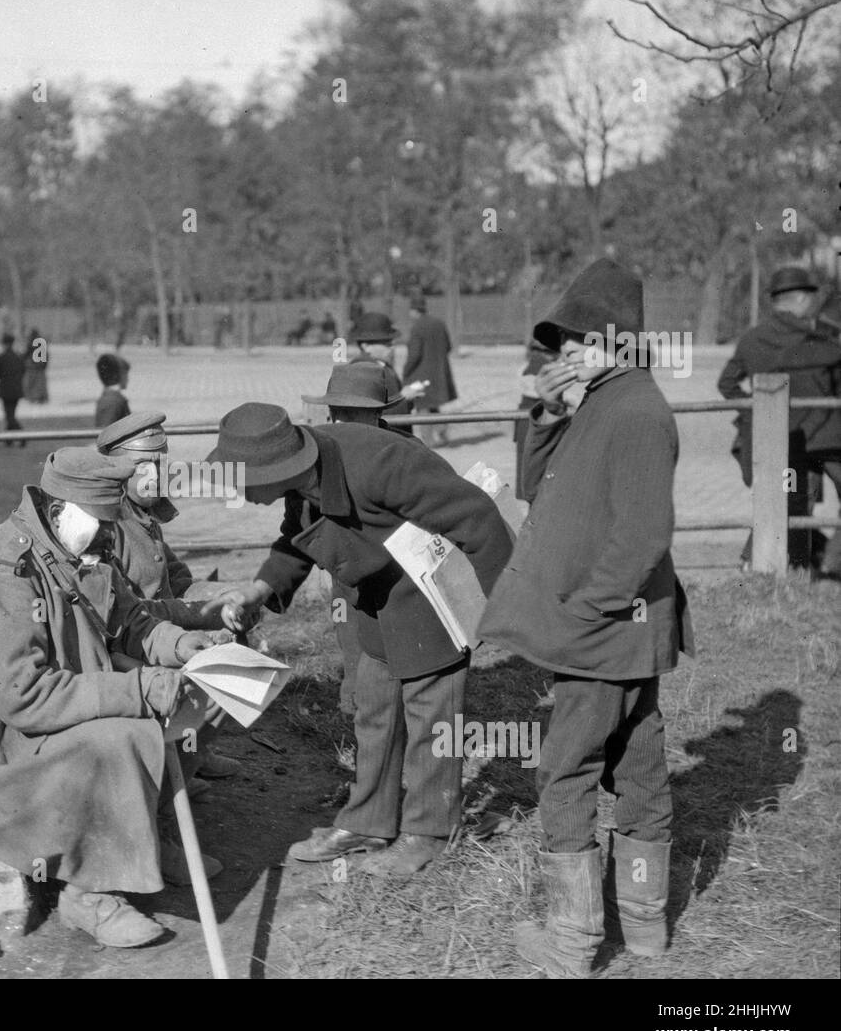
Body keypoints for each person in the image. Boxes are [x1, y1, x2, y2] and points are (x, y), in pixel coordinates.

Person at [0, 448, 219, 949]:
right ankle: (86, 893)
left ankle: (154, 828)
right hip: (0, 738)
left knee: (202, 693)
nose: (111, 537)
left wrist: (177, 644)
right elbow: (25, 698)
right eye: (104, 525)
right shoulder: (6, 576)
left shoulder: (76, 543)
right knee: (123, 737)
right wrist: (139, 688)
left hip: (60, 695)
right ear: (61, 509)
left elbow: (127, 620)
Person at [478, 258, 695, 979]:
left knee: (567, 768)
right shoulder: (603, 400)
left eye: (580, 338)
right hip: (622, 633)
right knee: (637, 765)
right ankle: (643, 929)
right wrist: (544, 410)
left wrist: (588, 608)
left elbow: (641, 535)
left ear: (623, 341)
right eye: (561, 339)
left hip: (605, 635)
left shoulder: (634, 410)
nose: (565, 350)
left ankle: (570, 942)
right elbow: (537, 483)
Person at [209, 402, 513, 877]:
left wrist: (500, 610)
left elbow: (477, 517)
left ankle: (430, 833)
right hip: (374, 600)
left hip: (430, 601)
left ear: (277, 468)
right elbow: (297, 537)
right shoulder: (303, 475)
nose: (236, 492)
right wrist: (259, 588)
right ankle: (369, 821)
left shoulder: (381, 465)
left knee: (432, 717)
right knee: (375, 710)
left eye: (241, 481)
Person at [96, 413, 243, 788]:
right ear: (117, 470)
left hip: (159, 632)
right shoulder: (107, 524)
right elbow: (122, 613)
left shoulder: (142, 513)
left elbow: (174, 577)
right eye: (142, 466)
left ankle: (192, 752)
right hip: (127, 645)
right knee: (216, 668)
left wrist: (215, 600)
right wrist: (197, 615)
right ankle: (168, 775)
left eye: (161, 463)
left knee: (237, 638)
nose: (155, 475)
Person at [305, 363, 415, 715]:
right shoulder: (321, 455)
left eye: (354, 414)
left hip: (400, 573)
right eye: (336, 413)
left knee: (399, 648)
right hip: (348, 573)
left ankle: (402, 707)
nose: (341, 424)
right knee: (351, 636)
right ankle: (355, 700)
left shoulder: (406, 451)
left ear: (378, 414)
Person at [717, 266, 841, 571]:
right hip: (824, 437)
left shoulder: (751, 339)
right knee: (799, 500)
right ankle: (830, 564)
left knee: (790, 499)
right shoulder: (821, 341)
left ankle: (776, 563)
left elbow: (727, 384)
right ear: (801, 299)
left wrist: (756, 412)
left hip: (778, 438)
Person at [402, 293, 459, 446]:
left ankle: (429, 442)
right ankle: (442, 430)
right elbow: (448, 347)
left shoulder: (417, 327)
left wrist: (405, 372)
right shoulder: (439, 323)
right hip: (439, 373)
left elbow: (414, 355)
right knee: (433, 404)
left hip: (421, 374)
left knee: (422, 407)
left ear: (414, 310)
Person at [513, 338, 561, 502]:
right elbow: (537, 392)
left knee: (528, 463)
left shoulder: (526, 367)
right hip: (538, 419)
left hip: (526, 420)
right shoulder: (541, 369)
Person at [344, 312, 409, 418]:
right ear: (366, 346)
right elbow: (369, 413)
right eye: (386, 344)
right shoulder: (362, 370)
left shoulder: (383, 365)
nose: (392, 348)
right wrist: (404, 398)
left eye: (392, 343)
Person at [0, 333, 26, 447]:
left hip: (5, 390)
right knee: (11, 414)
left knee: (9, 415)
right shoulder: (18, 356)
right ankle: (8, 439)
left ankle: (22, 436)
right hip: (16, 389)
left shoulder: (1, 357)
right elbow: (23, 370)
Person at [95, 352, 131, 427]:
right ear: (117, 375)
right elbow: (105, 431)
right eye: (125, 374)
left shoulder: (112, 398)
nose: (128, 379)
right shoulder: (113, 401)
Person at [23, 327, 50, 404]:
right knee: (40, 384)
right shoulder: (41, 342)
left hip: (33, 366)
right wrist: (44, 365)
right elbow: (46, 355)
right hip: (40, 366)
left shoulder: (32, 343)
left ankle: (34, 397)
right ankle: (41, 397)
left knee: (32, 383)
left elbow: (27, 354)